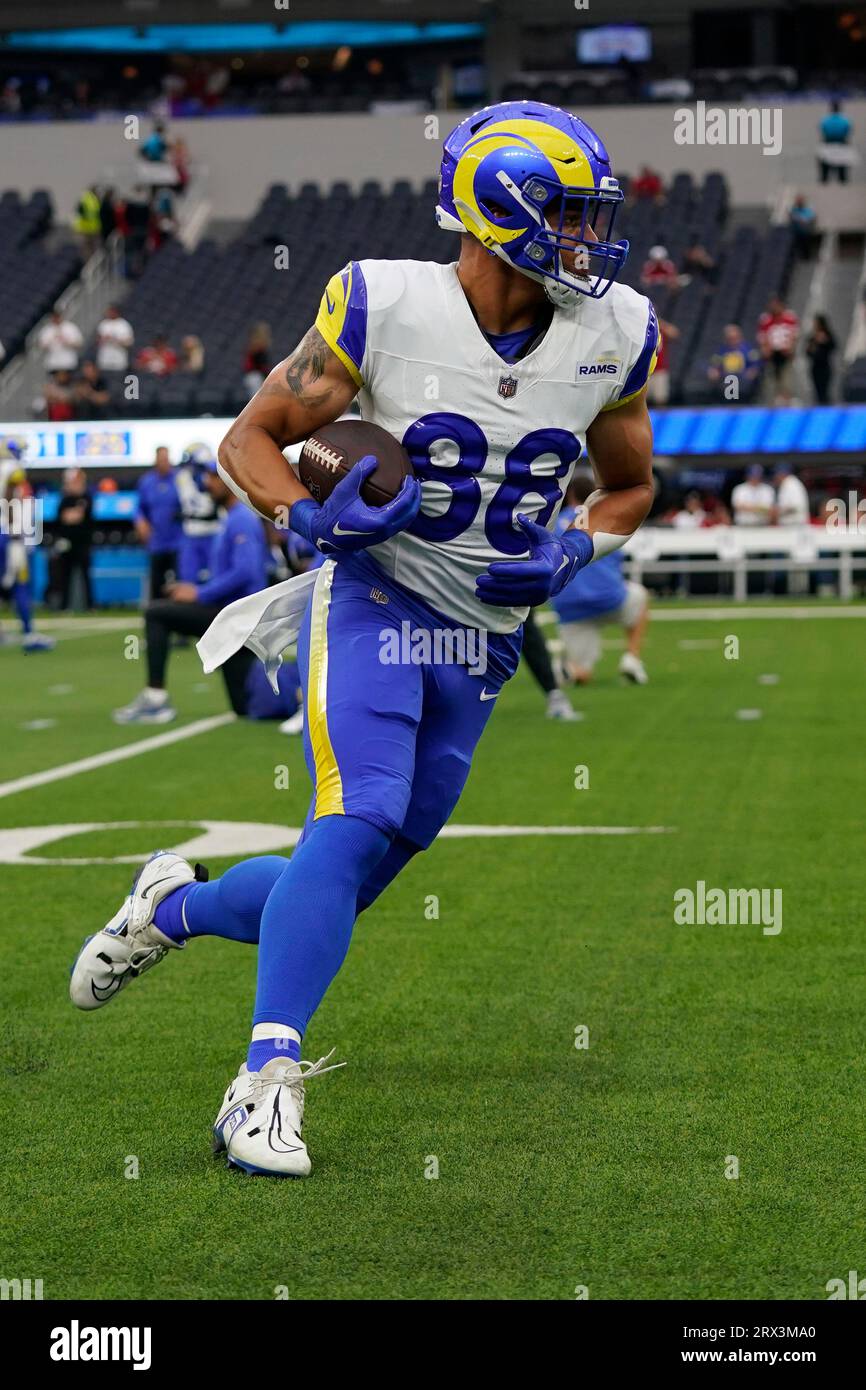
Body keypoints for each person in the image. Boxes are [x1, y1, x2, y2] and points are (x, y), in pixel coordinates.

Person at [70, 100, 656, 1178]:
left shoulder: (616, 328)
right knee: (358, 810)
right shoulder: (381, 301)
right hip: (378, 596)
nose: (588, 239)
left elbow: (627, 488)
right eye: (566, 215)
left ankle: (175, 904)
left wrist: (573, 552)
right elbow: (249, 440)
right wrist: (298, 515)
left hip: (484, 636)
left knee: (341, 874)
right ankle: (263, 1085)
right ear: (491, 214)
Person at [113, 463, 268, 724]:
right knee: (245, 706)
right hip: (231, 615)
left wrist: (200, 594)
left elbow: (246, 571)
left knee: (157, 613)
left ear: (230, 483)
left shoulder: (241, 518)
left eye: (212, 478)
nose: (207, 483)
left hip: (237, 618)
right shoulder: (230, 517)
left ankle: (155, 698)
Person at [553, 477, 650, 686]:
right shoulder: (604, 519)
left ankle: (568, 669)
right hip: (609, 598)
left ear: (570, 495)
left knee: (581, 673)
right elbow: (617, 558)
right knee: (640, 596)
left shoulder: (555, 524)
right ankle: (631, 658)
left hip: (569, 606)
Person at [0, 445, 55, 651]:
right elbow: (10, 497)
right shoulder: (12, 469)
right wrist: (14, 527)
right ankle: (29, 634)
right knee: (20, 583)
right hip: (8, 535)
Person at [135, 446, 183, 598]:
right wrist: (140, 522)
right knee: (157, 582)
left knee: (179, 580)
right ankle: (157, 612)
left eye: (166, 458)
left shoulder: (180, 479)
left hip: (178, 540)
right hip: (157, 541)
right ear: (156, 460)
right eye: (161, 459)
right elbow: (139, 509)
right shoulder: (147, 482)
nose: (164, 462)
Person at [175, 444, 222, 583]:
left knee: (216, 577)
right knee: (188, 579)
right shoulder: (182, 478)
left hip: (212, 533)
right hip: (191, 534)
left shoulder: (216, 479)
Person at [55, 466, 93, 610]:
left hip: (83, 543)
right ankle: (64, 606)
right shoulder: (65, 499)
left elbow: (78, 516)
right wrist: (73, 514)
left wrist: (73, 515)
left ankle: (90, 605)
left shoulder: (87, 497)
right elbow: (63, 517)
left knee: (85, 576)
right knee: (65, 576)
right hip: (67, 543)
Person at [757, 296, 799, 405]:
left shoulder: (789, 317)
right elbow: (762, 336)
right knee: (772, 378)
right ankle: (773, 401)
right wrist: (765, 349)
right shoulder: (766, 319)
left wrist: (791, 348)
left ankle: (787, 399)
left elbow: (794, 334)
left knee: (786, 377)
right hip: (772, 353)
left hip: (785, 353)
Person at [707, 324, 761, 402]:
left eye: (735, 338)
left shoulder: (748, 349)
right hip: (726, 380)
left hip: (743, 380)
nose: (733, 341)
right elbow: (714, 365)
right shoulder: (722, 351)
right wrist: (714, 371)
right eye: (730, 339)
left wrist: (753, 371)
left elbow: (756, 364)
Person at [38, 308, 83, 376]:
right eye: (54, 317)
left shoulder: (70, 327)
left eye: (57, 316)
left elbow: (79, 344)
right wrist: (52, 339)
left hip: (68, 362)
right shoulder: (46, 330)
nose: (56, 319)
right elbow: (41, 345)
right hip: (53, 364)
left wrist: (67, 342)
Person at [818, 100, 853, 184]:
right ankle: (843, 180)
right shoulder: (845, 120)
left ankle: (824, 180)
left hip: (828, 142)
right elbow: (848, 130)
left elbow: (822, 130)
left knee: (824, 163)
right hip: (841, 142)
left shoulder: (825, 119)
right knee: (842, 164)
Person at [805, 314, 836, 405]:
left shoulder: (828, 334)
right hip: (815, 367)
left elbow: (833, 346)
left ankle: (826, 406)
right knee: (817, 390)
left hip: (825, 366)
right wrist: (813, 345)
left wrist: (824, 340)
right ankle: (819, 406)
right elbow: (807, 352)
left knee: (825, 390)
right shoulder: (812, 336)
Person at [96, 304, 134, 372]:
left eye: (111, 311)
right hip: (105, 360)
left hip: (119, 360)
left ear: (116, 312)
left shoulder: (124, 325)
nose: (109, 313)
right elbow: (97, 341)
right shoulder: (103, 324)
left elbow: (129, 342)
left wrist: (115, 339)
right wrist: (103, 339)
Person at [647, 318, 677, 405]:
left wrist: (661, 323)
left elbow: (674, 333)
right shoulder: (643, 329)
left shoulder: (660, 328)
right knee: (643, 402)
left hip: (660, 370)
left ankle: (661, 418)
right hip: (645, 371)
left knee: (661, 399)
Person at [788, 194, 817, 258]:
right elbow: (791, 218)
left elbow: (810, 219)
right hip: (796, 233)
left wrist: (799, 219)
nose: (798, 202)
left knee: (806, 248)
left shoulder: (807, 210)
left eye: (800, 201)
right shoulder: (794, 210)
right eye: (797, 201)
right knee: (796, 247)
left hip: (805, 233)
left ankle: (807, 257)